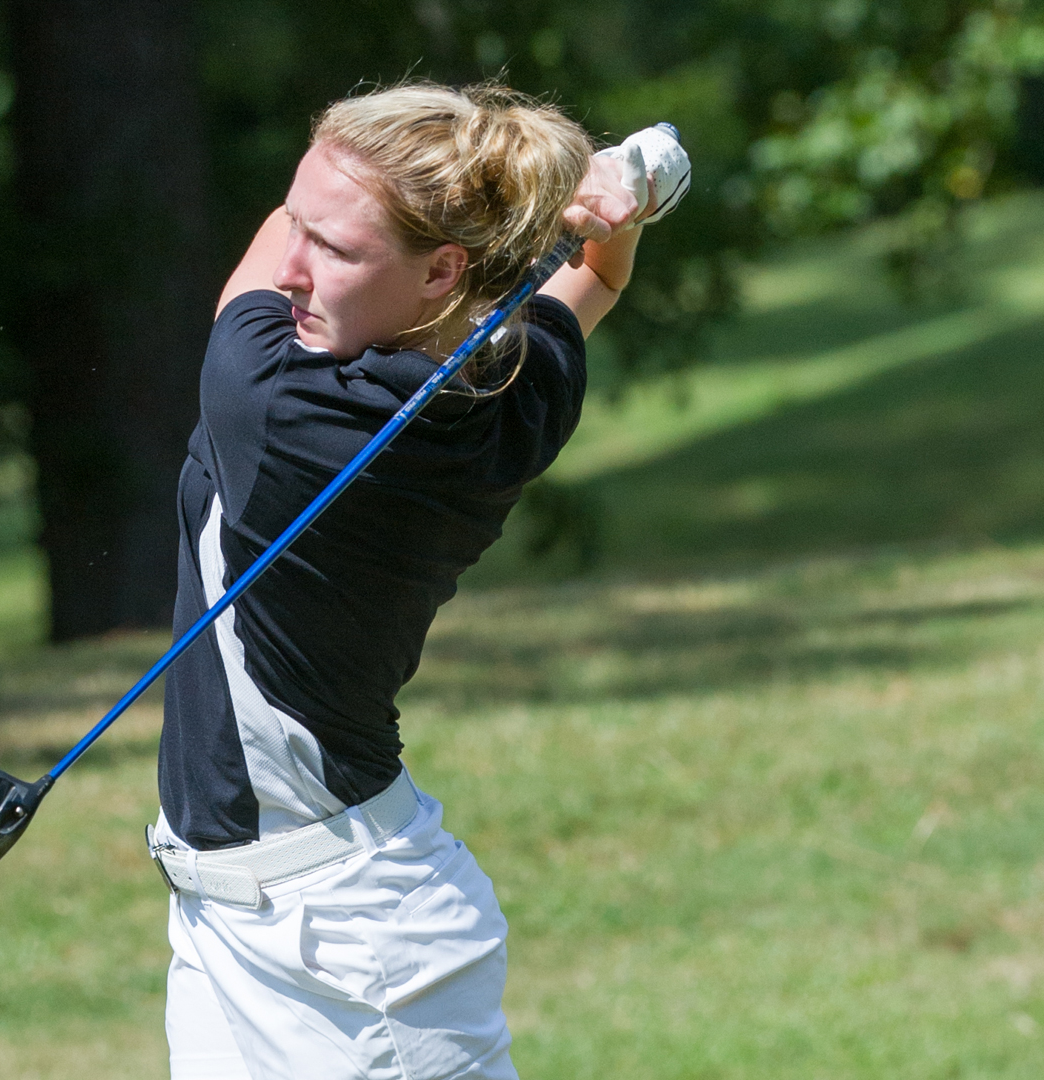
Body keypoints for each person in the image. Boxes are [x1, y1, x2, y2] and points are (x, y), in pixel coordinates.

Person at [147, 81, 687, 1080]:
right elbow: (596, 285)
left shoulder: (277, 406)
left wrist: (590, 188)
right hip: (244, 916)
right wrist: (618, 201)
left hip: (354, 956)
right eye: (306, 232)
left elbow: (258, 268)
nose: (301, 272)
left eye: (338, 251)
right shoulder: (502, 390)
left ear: (444, 272)